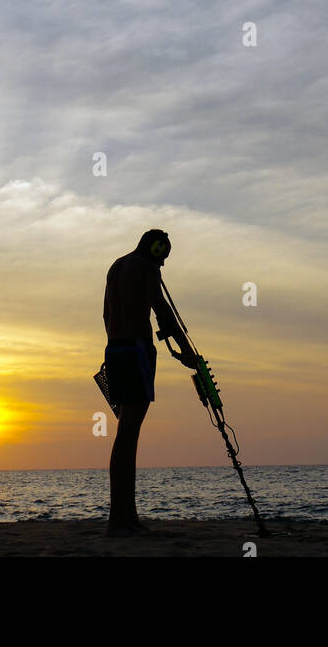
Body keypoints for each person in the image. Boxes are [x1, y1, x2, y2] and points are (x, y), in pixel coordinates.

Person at [102, 229, 198, 536]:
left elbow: (106, 314)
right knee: (129, 435)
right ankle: (121, 521)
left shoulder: (116, 266)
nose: (163, 264)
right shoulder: (145, 268)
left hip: (115, 351)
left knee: (124, 434)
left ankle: (124, 517)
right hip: (136, 352)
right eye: (163, 256)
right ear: (156, 249)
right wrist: (186, 352)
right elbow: (164, 314)